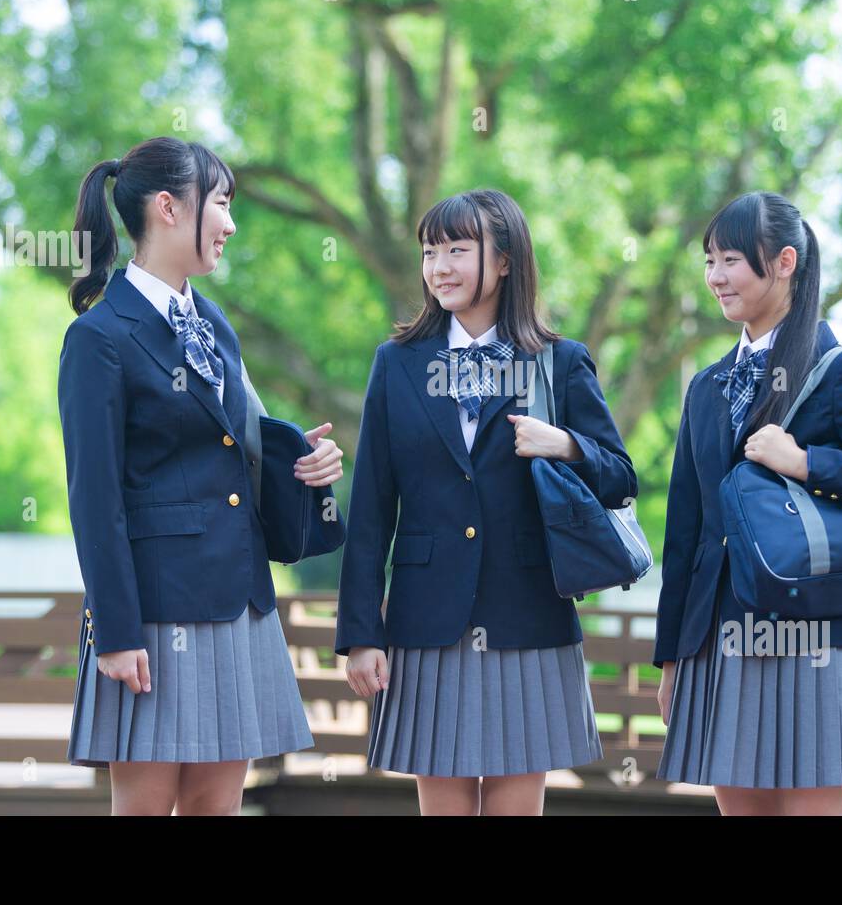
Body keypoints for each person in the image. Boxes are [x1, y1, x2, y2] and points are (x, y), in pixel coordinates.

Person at [58, 136, 343, 815]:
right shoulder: (100, 338)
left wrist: (306, 461)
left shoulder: (214, 324)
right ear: (167, 207)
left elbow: (232, 447)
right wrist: (117, 633)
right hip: (154, 615)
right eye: (220, 203)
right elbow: (93, 500)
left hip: (241, 599)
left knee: (218, 808)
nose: (231, 224)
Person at [336, 189, 638, 815]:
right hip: (425, 624)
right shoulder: (396, 364)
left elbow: (620, 480)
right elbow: (369, 510)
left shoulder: (559, 362)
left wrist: (567, 445)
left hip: (525, 618)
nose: (439, 266)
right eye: (429, 251)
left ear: (504, 261)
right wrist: (360, 633)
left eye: (457, 249)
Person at [654, 190, 842, 815]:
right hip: (722, 638)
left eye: (730, 259)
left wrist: (807, 464)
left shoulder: (839, 370)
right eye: (709, 261)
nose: (716, 277)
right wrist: (673, 655)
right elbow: (686, 533)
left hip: (816, 635)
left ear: (784, 262)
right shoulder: (706, 387)